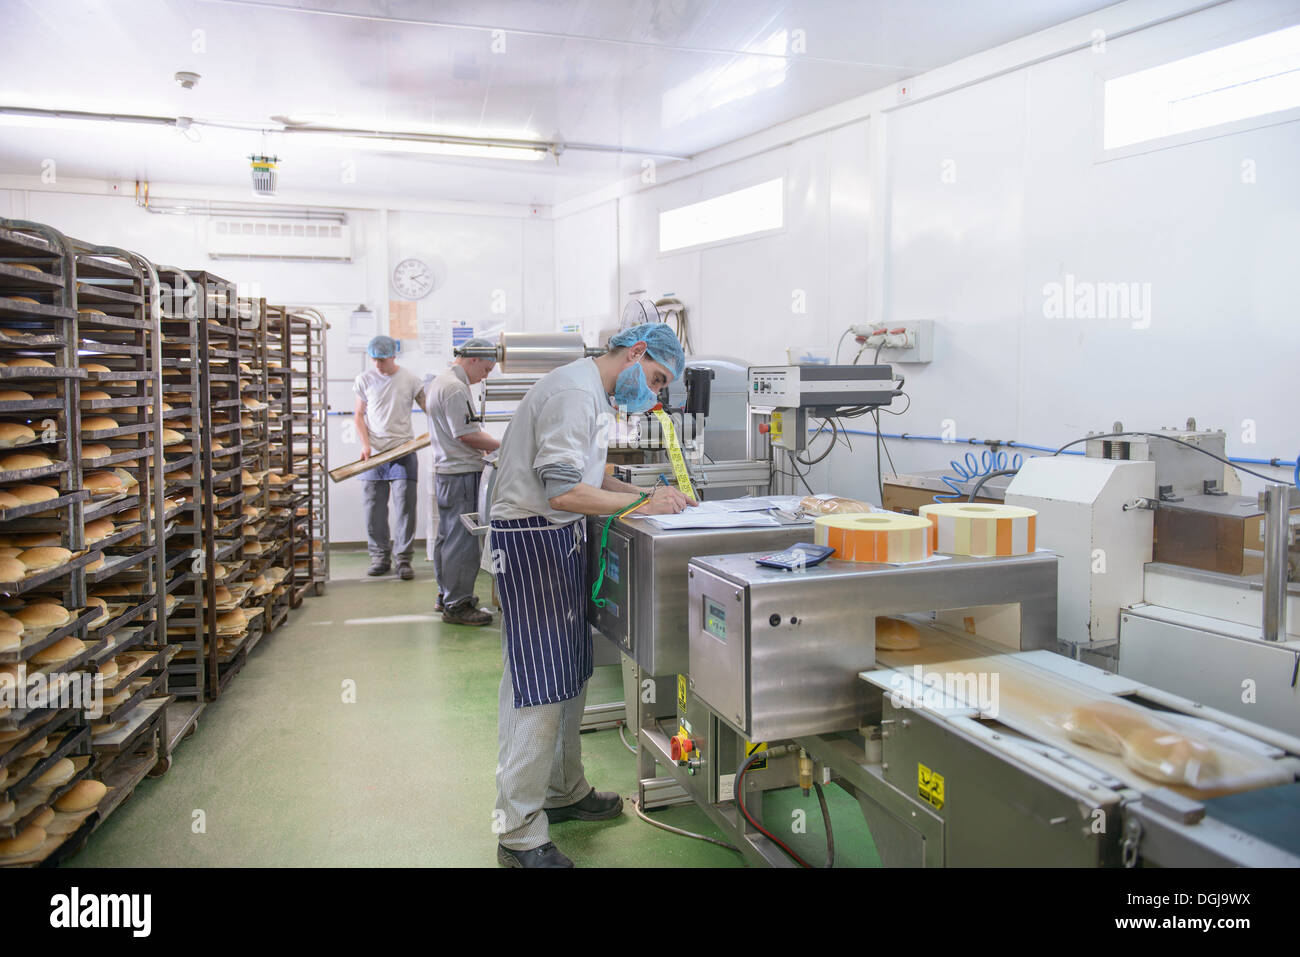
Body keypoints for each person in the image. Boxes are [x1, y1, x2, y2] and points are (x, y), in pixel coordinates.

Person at [490, 322, 693, 868]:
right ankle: (518, 832)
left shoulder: (594, 393)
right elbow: (564, 491)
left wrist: (645, 491)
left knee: (569, 673)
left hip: (559, 541)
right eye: (654, 378)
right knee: (539, 688)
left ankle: (562, 791)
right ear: (637, 352)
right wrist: (641, 509)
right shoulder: (574, 393)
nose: (651, 393)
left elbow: (591, 471)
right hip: (533, 543)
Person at [425, 338, 500, 625]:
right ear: (472, 360)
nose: (486, 375)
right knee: (462, 541)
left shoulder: (441, 382)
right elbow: (466, 434)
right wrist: (504, 446)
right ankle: (458, 604)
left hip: (447, 472)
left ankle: (446, 594)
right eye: (486, 368)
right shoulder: (455, 388)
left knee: (447, 537)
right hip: (460, 473)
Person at [353, 335, 425, 580]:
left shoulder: (410, 379)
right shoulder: (365, 380)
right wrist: (365, 445)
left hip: (403, 451)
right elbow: (358, 415)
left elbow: (430, 408)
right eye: (374, 360)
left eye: (382, 360)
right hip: (374, 453)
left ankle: (403, 559)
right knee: (373, 508)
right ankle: (379, 557)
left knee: (405, 508)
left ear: (393, 356)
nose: (378, 365)